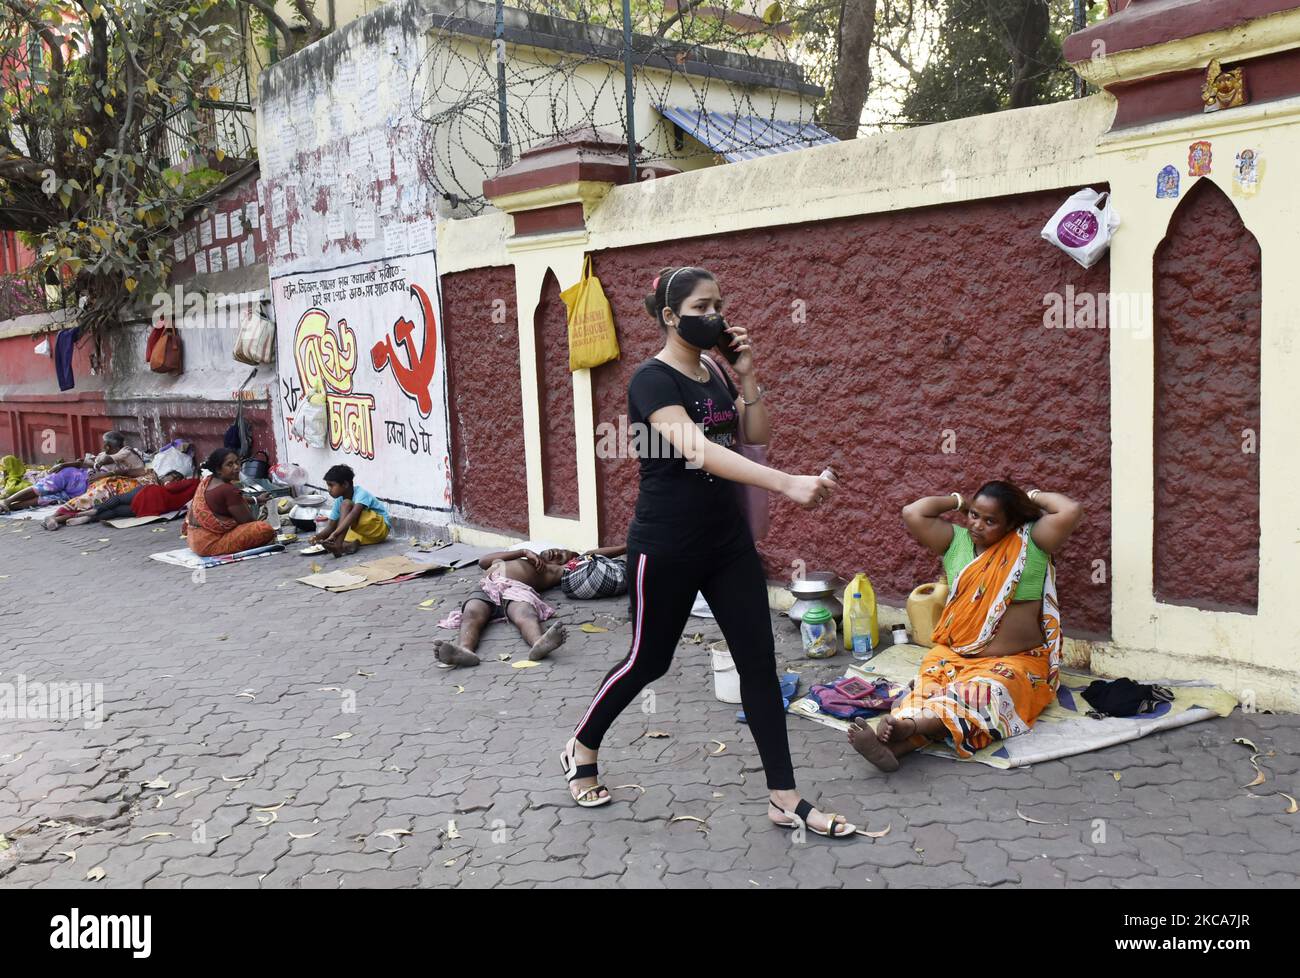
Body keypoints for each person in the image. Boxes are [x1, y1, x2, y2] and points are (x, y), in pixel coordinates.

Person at [561, 264, 855, 838]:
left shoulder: (717, 371)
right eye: (699, 308)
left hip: (726, 544)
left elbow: (756, 436)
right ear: (670, 317)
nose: (713, 316)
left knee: (760, 667)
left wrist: (746, 377)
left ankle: (784, 798)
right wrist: (787, 483)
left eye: (717, 304)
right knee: (650, 660)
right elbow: (695, 449)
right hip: (666, 544)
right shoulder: (652, 380)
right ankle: (582, 743)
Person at [848, 481, 1083, 771]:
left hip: (1013, 662)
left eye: (990, 520)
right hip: (954, 656)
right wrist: (959, 500)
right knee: (929, 690)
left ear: (1012, 523)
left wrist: (1031, 497)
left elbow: (1069, 509)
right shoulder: (956, 542)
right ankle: (899, 742)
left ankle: (905, 731)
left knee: (986, 696)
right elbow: (913, 512)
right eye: (974, 515)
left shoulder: (1030, 544)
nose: (978, 525)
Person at [434, 548, 570, 667]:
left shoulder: (551, 569)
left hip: (515, 589)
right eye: (558, 549)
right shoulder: (519, 557)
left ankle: (539, 643)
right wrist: (523, 552)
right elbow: (483, 561)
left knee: (525, 614)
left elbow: (581, 566)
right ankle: (464, 650)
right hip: (487, 586)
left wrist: (578, 559)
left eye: (563, 555)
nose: (556, 553)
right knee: (470, 614)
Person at [184, 448, 275, 557]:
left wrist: (257, 500)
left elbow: (229, 501)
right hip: (210, 544)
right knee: (263, 529)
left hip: (195, 540)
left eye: (237, 462)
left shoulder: (207, 481)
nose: (236, 467)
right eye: (230, 464)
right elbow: (248, 522)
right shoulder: (227, 489)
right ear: (218, 470)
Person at [311, 464, 391, 556]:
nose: (329, 489)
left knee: (346, 505)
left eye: (331, 485)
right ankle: (348, 546)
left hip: (380, 528)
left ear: (345, 484)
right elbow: (331, 526)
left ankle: (338, 546)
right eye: (328, 486)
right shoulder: (339, 500)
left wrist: (335, 533)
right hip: (368, 536)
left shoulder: (361, 493)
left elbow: (353, 515)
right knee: (343, 537)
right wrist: (316, 537)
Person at [69, 472, 198, 525]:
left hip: (152, 493)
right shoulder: (199, 493)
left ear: (176, 478)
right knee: (116, 512)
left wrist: (166, 483)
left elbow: (171, 488)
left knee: (118, 499)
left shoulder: (193, 482)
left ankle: (95, 510)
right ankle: (88, 519)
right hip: (157, 508)